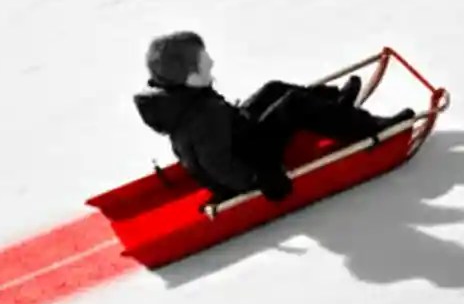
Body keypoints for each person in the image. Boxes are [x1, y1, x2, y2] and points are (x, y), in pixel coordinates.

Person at [133, 31, 415, 204]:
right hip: (251, 160)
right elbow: (217, 164)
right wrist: (259, 179)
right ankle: (368, 128)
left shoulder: (182, 97)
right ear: (192, 78)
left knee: (273, 89)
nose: (213, 64)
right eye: (205, 64)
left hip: (239, 134)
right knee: (292, 106)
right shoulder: (200, 117)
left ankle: (333, 106)